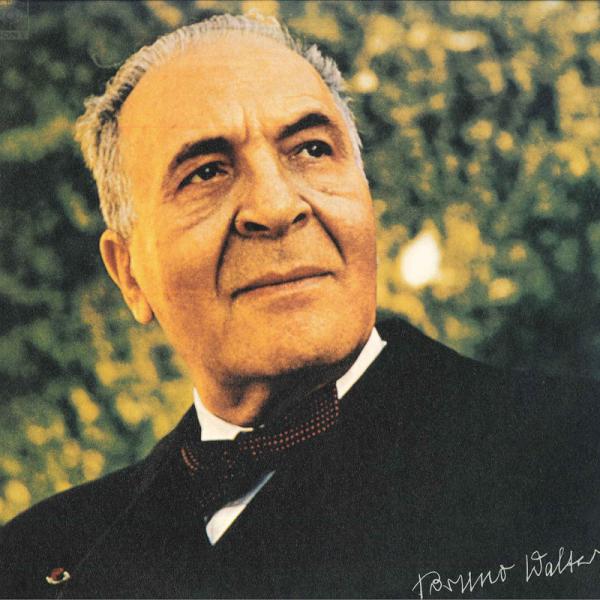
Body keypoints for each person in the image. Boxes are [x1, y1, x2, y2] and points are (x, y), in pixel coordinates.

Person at [1, 13, 600, 599]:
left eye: (311, 149)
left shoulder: (576, 455)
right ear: (130, 274)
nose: (276, 206)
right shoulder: (32, 559)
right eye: (206, 172)